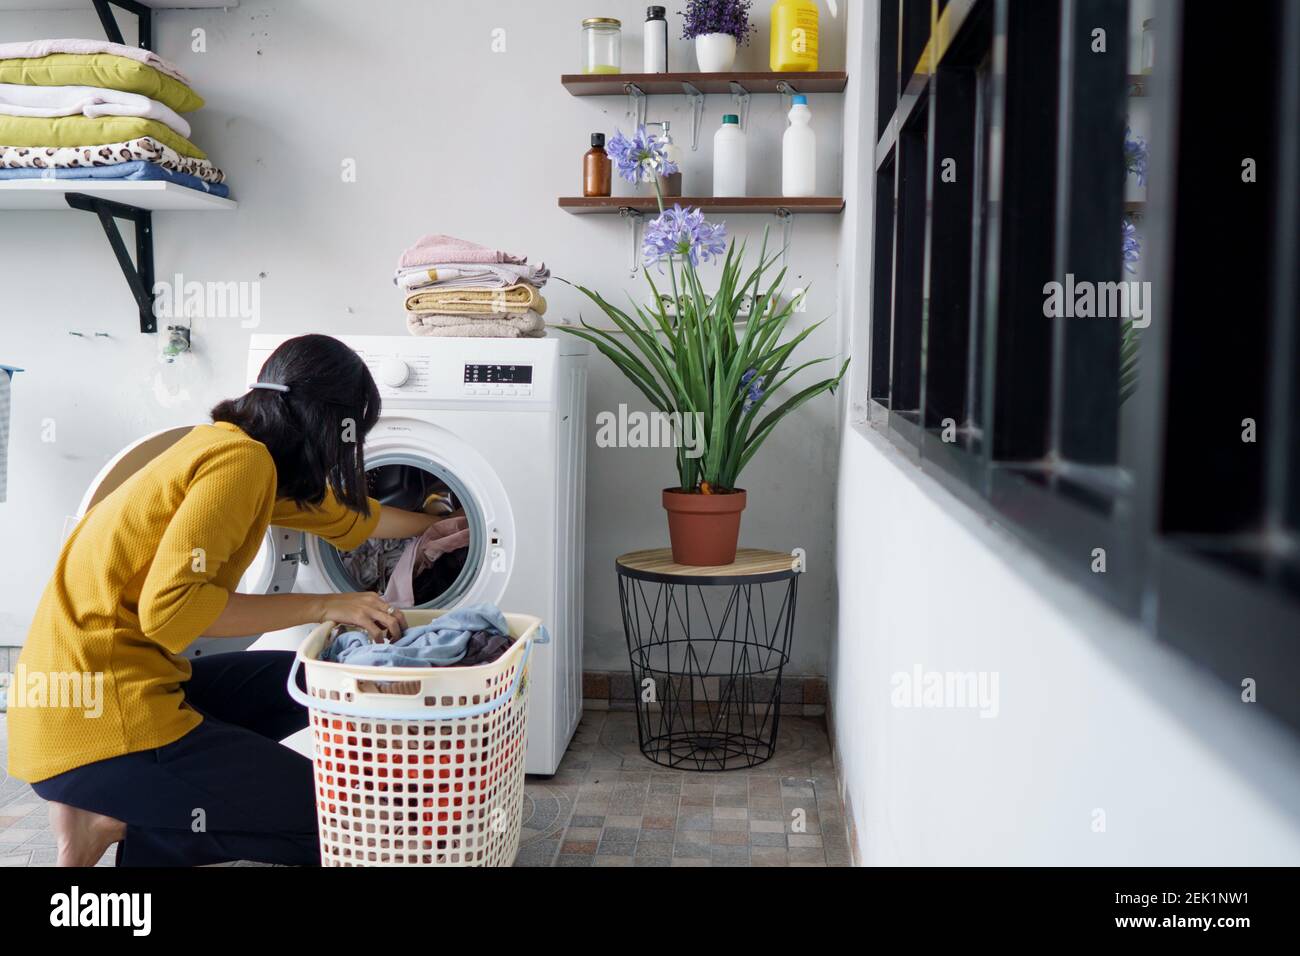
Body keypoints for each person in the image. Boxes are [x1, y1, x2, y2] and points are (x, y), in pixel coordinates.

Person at [6, 334, 444, 866]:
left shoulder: (224, 448)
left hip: (79, 701)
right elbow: (173, 613)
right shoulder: (241, 465)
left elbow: (354, 522)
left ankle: (117, 808)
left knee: (309, 680)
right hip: (107, 726)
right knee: (351, 827)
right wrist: (327, 604)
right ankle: (117, 821)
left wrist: (442, 526)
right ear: (332, 425)